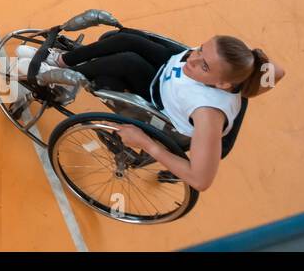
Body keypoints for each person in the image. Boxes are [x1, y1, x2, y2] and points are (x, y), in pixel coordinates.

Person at [20, 31, 283, 192]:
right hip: (169, 74)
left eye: (204, 65)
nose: (193, 58)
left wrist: (147, 143)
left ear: (223, 84)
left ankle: (54, 76)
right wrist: (251, 63)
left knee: (126, 60)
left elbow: (201, 180)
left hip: (163, 98)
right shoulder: (223, 67)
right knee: (123, 39)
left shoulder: (207, 114)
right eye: (201, 48)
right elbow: (277, 72)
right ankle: (60, 60)